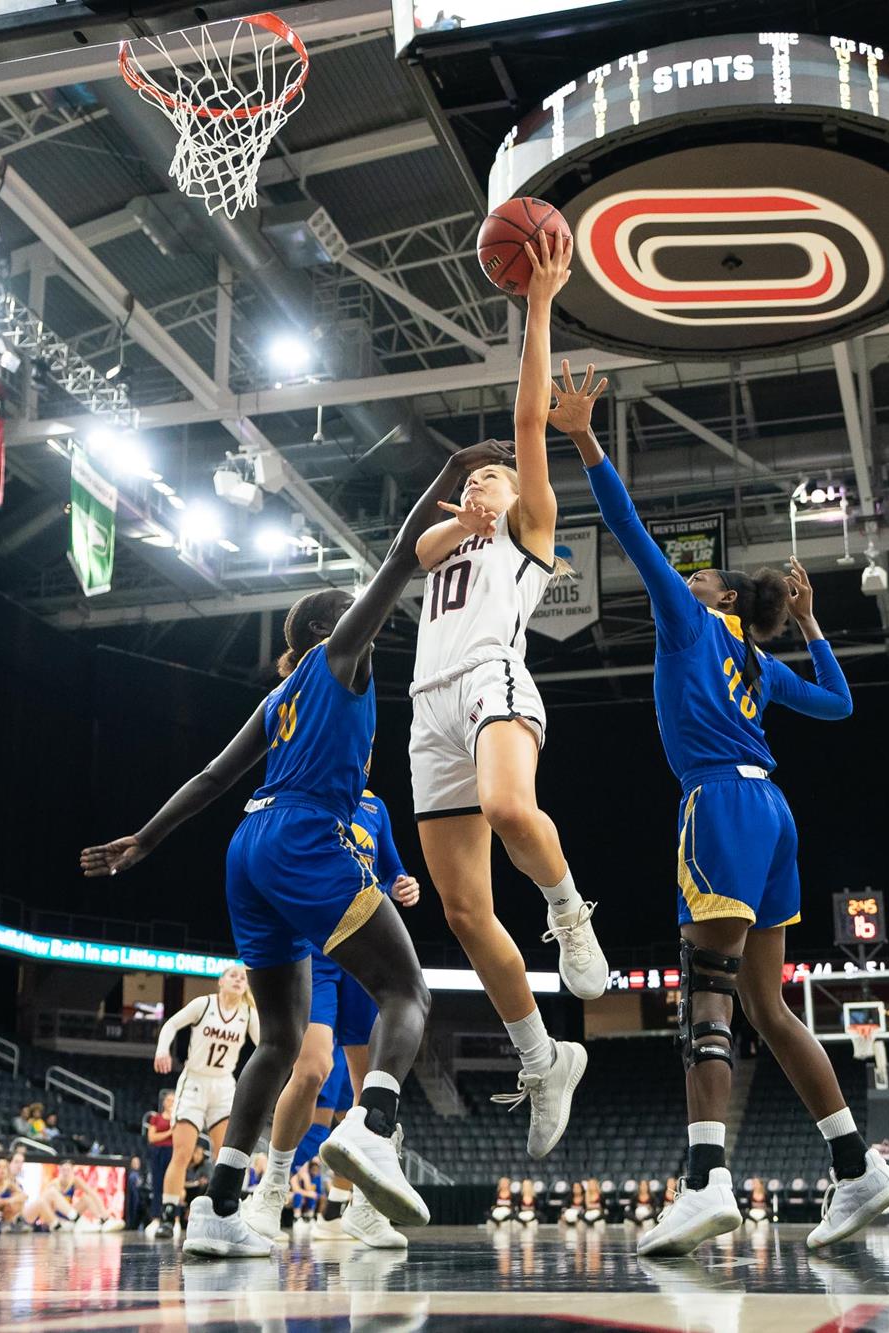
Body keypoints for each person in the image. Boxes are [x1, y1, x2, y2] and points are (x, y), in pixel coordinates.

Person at [80, 439, 514, 1260]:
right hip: (306, 833)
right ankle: (374, 1127)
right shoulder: (336, 658)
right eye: (351, 608)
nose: (369, 616)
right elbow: (399, 558)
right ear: (328, 624)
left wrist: (146, 836)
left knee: (276, 1041)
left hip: (248, 841)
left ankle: (217, 1208)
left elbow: (211, 777)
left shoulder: (279, 694)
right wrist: (453, 469)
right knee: (407, 990)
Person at [557, 361, 889, 1260]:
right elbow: (842, 705)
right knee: (767, 1007)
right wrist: (814, 626)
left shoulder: (690, 622)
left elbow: (627, 529)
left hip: (717, 806)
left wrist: (586, 437)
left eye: (703, 577)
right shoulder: (763, 665)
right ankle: (857, 1164)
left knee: (705, 1003)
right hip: (774, 811)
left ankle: (706, 1185)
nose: (688, 578)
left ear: (722, 598)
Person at [408, 234, 598, 1164]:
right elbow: (414, 551)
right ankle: (543, 1055)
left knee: (509, 804)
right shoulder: (447, 537)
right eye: (473, 475)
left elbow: (526, 423)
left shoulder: (527, 528)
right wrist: (457, 513)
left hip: (493, 677)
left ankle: (568, 912)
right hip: (426, 708)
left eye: (496, 475)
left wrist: (538, 305)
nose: (483, 477)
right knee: (461, 911)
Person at [240, 789, 420, 1251]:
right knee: (312, 1068)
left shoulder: (378, 808)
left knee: (369, 1088)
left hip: (364, 948)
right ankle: (271, 1190)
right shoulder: (310, 793)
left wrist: (403, 882)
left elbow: (391, 867)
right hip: (317, 953)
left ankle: (362, 1208)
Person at [148, 966, 259, 1237]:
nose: (238, 979)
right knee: (183, 1153)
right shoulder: (204, 1004)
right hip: (195, 1082)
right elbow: (171, 1023)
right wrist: (162, 1049)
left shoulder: (248, 1014)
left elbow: (266, 1044)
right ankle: (168, 1216)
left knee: (227, 1155)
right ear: (220, 981)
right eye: (232, 975)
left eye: (242, 977)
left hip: (224, 1084)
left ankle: (224, 1210)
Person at [142, 1090, 176, 1238]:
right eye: (169, 1100)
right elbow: (152, 1137)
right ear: (164, 1102)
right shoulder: (156, 1118)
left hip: (173, 1151)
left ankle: (174, 1219)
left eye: (173, 1100)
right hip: (158, 1152)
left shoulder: (178, 1120)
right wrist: (169, 1133)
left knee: (173, 1187)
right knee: (157, 1185)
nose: (171, 1103)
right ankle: (155, 1218)